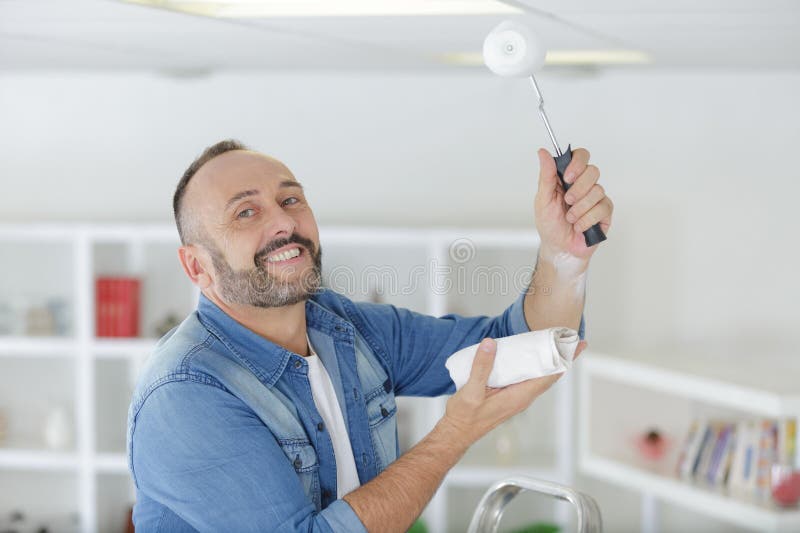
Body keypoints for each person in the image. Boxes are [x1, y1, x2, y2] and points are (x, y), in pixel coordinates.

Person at [126, 139, 613, 532]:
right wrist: (453, 435)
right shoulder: (186, 394)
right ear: (197, 266)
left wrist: (564, 254)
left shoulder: (341, 328)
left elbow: (515, 345)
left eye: (290, 199)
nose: (284, 222)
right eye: (246, 213)